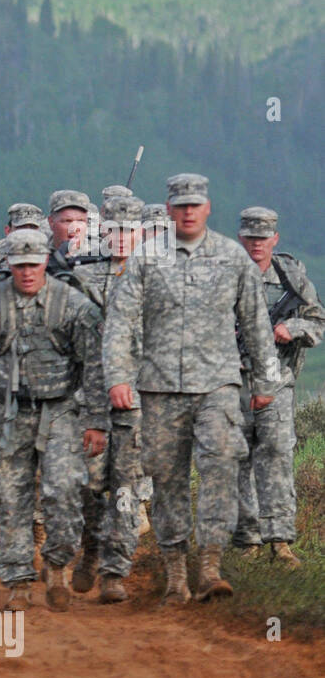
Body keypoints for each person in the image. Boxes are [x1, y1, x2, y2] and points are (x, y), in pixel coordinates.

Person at [103, 173, 278, 604]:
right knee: (167, 478)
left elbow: (257, 323)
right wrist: (118, 377)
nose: (187, 211)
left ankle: (211, 566)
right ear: (168, 209)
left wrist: (265, 380)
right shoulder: (146, 258)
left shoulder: (232, 258)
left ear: (208, 207)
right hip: (159, 387)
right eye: (179, 205)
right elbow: (120, 322)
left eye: (194, 204)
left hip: (217, 383)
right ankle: (176, 574)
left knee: (221, 460)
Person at [0, 229, 107, 612]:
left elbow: (93, 365)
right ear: (9, 264)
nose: (27, 272)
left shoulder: (72, 305)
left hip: (61, 413)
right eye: (19, 265)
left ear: (45, 263)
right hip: (8, 413)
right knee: (12, 499)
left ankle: (57, 566)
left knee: (63, 493)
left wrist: (95, 419)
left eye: (33, 264)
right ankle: (18, 581)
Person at [63, 195, 149, 602]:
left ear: (142, 234)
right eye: (112, 231)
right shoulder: (83, 278)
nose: (120, 239)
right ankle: (91, 549)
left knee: (127, 488)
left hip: (137, 403)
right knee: (90, 485)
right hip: (90, 401)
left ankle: (116, 571)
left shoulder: (157, 280)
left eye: (128, 231)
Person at [233, 206, 325, 567]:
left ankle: (281, 542)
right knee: (238, 459)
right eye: (251, 237)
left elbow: (317, 321)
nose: (257, 244)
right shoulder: (225, 275)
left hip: (277, 380)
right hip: (234, 381)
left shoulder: (292, 279)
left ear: (275, 239)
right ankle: (247, 540)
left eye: (263, 237)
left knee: (276, 456)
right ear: (242, 238)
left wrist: (294, 330)